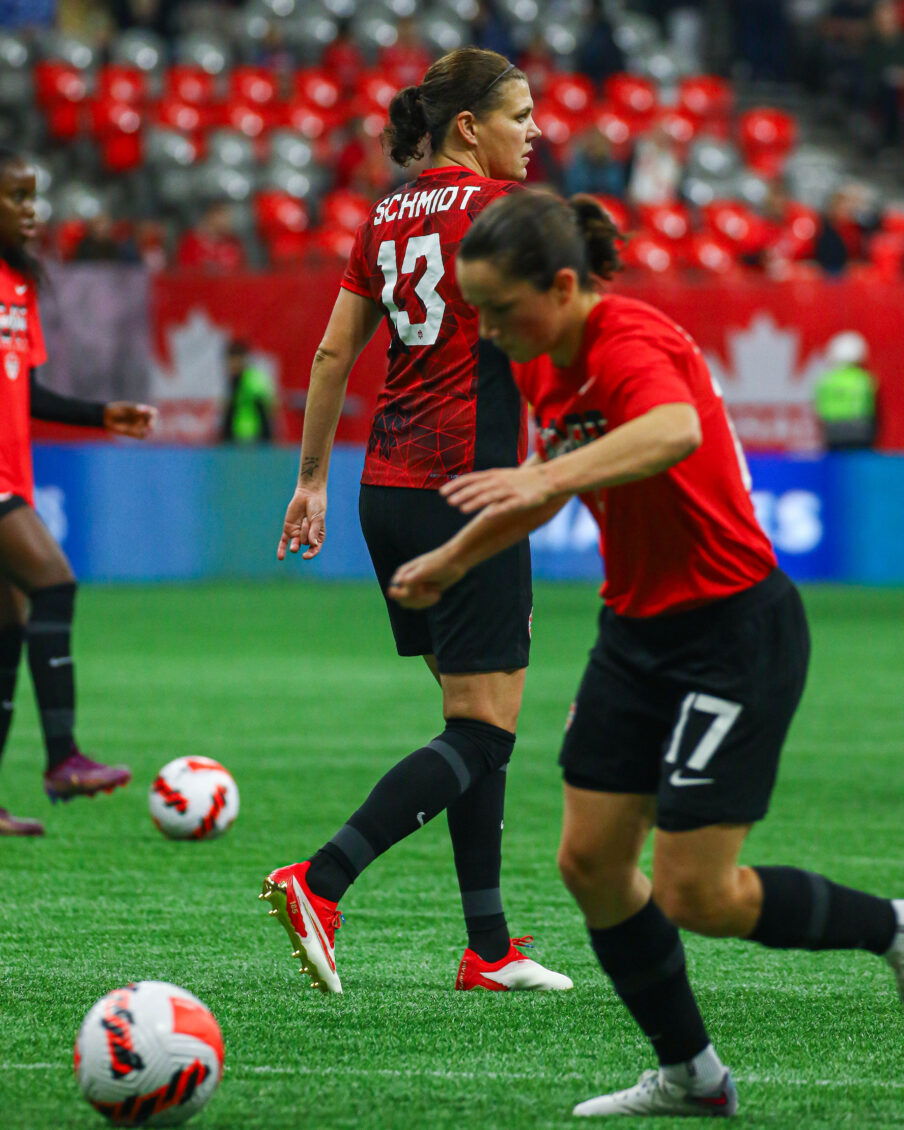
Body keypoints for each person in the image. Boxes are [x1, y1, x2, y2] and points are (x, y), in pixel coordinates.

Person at [388, 191, 904, 1118]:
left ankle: (894, 930)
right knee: (588, 861)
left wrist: (542, 471)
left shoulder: (629, 340)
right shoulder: (546, 362)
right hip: (635, 634)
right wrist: (454, 560)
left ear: (562, 285)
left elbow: (674, 433)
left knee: (698, 892)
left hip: (733, 630)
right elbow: (550, 495)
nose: (493, 334)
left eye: (503, 312)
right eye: (482, 316)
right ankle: (691, 1077)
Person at [260, 48, 573, 996]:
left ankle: (489, 949)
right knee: (485, 731)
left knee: (476, 720)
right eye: (521, 114)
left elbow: (329, 356)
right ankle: (320, 880)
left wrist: (310, 480)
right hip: (467, 494)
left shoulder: (385, 214)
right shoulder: (502, 217)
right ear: (470, 127)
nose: (537, 131)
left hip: (384, 491)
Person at [0, 147, 157, 836]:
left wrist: (101, 415)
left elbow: (24, 389)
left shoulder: (19, 284)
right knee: (54, 583)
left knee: (7, 635)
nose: (32, 212)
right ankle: (63, 756)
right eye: (17, 197)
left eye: (34, 197)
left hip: (14, 476)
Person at [814, 330, 878, 450]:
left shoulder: (826, 380)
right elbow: (872, 412)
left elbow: (819, 411)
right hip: (861, 433)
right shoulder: (864, 380)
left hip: (831, 433)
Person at [220, 340, 275, 444]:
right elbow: (229, 413)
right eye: (230, 360)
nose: (232, 364)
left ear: (243, 359)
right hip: (235, 439)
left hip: (254, 438)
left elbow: (263, 413)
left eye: (236, 360)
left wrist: (267, 441)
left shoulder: (254, 381)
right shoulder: (231, 381)